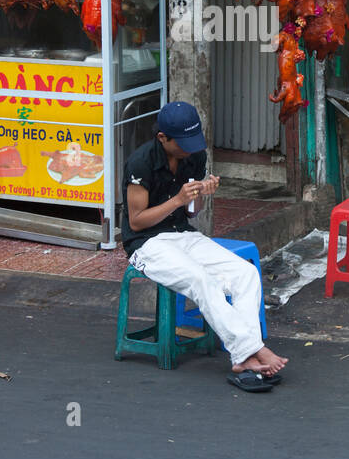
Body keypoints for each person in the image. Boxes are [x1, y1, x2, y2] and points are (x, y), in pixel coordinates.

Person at [122, 101, 288, 392]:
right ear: (163, 138)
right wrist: (176, 199)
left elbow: (191, 213)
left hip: (182, 234)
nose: (190, 148)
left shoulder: (194, 156)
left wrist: (200, 195)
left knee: (245, 274)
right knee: (201, 279)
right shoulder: (141, 162)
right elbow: (136, 222)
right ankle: (251, 353)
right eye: (183, 143)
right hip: (146, 244)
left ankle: (244, 357)